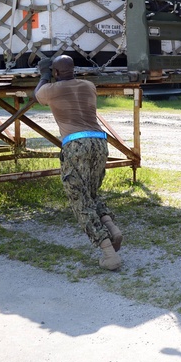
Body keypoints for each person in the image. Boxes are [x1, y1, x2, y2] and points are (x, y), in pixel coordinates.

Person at [33, 55, 123, 271]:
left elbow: (38, 94)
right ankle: (112, 227)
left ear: (55, 72)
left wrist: (44, 76)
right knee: (91, 194)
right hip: (99, 142)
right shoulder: (89, 86)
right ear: (74, 69)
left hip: (76, 145)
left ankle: (109, 253)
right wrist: (52, 74)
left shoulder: (52, 90)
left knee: (78, 199)